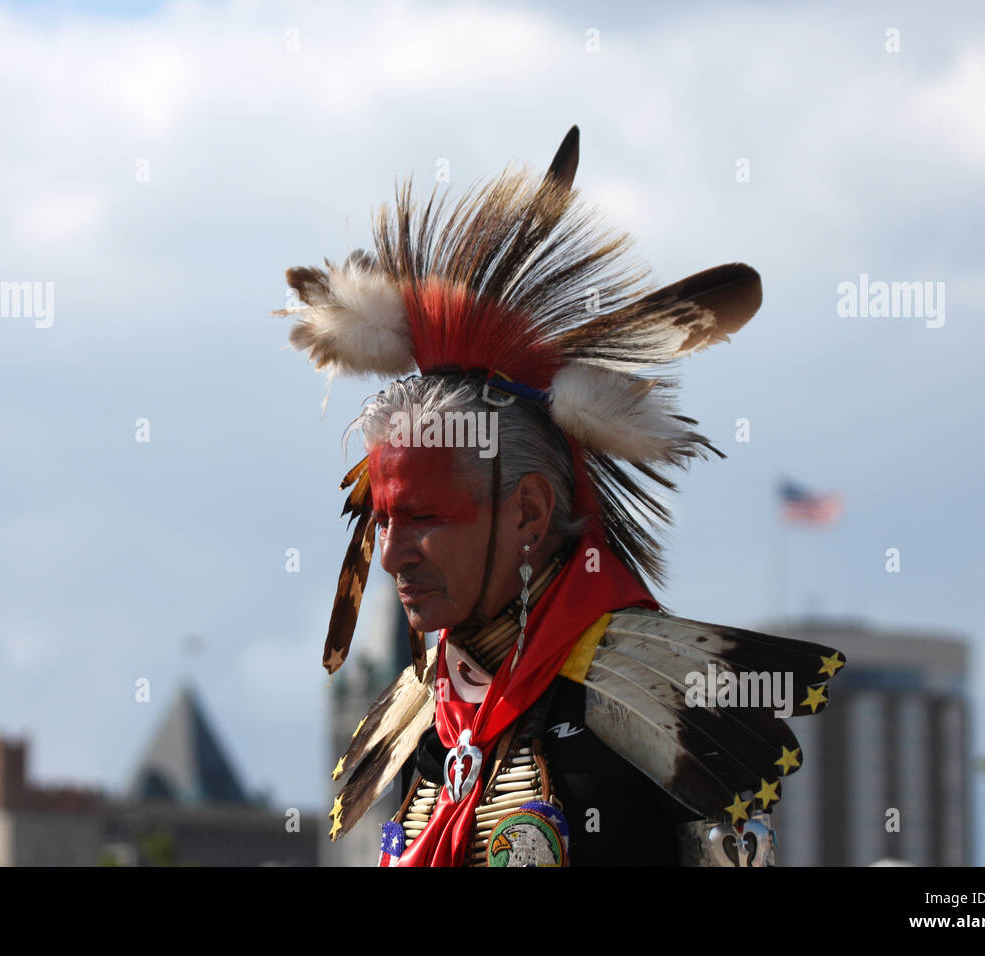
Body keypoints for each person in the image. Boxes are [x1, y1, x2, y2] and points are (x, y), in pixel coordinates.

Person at [275, 126, 846, 867]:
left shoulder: (657, 710)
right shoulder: (431, 725)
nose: (390, 557)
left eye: (424, 518)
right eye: (383, 521)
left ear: (529, 513)